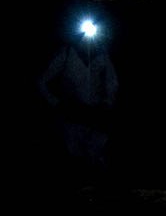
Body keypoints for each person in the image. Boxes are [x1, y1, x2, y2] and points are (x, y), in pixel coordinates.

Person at [38, 14, 120, 185]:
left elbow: (112, 82)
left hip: (94, 113)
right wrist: (55, 103)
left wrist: (107, 103)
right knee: (73, 154)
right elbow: (42, 81)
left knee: (96, 153)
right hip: (71, 113)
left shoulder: (102, 56)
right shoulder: (67, 53)